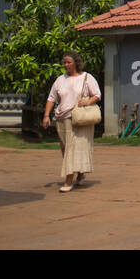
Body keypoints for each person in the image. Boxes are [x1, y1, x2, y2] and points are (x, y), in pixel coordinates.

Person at [42, 51, 100, 192]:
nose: (66, 65)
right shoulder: (60, 80)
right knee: (65, 148)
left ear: (76, 63)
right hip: (61, 119)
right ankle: (80, 173)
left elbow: (97, 95)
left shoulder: (87, 77)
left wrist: (87, 101)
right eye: (64, 62)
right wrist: (46, 115)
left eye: (69, 62)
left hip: (78, 119)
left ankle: (68, 181)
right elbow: (51, 98)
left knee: (71, 150)